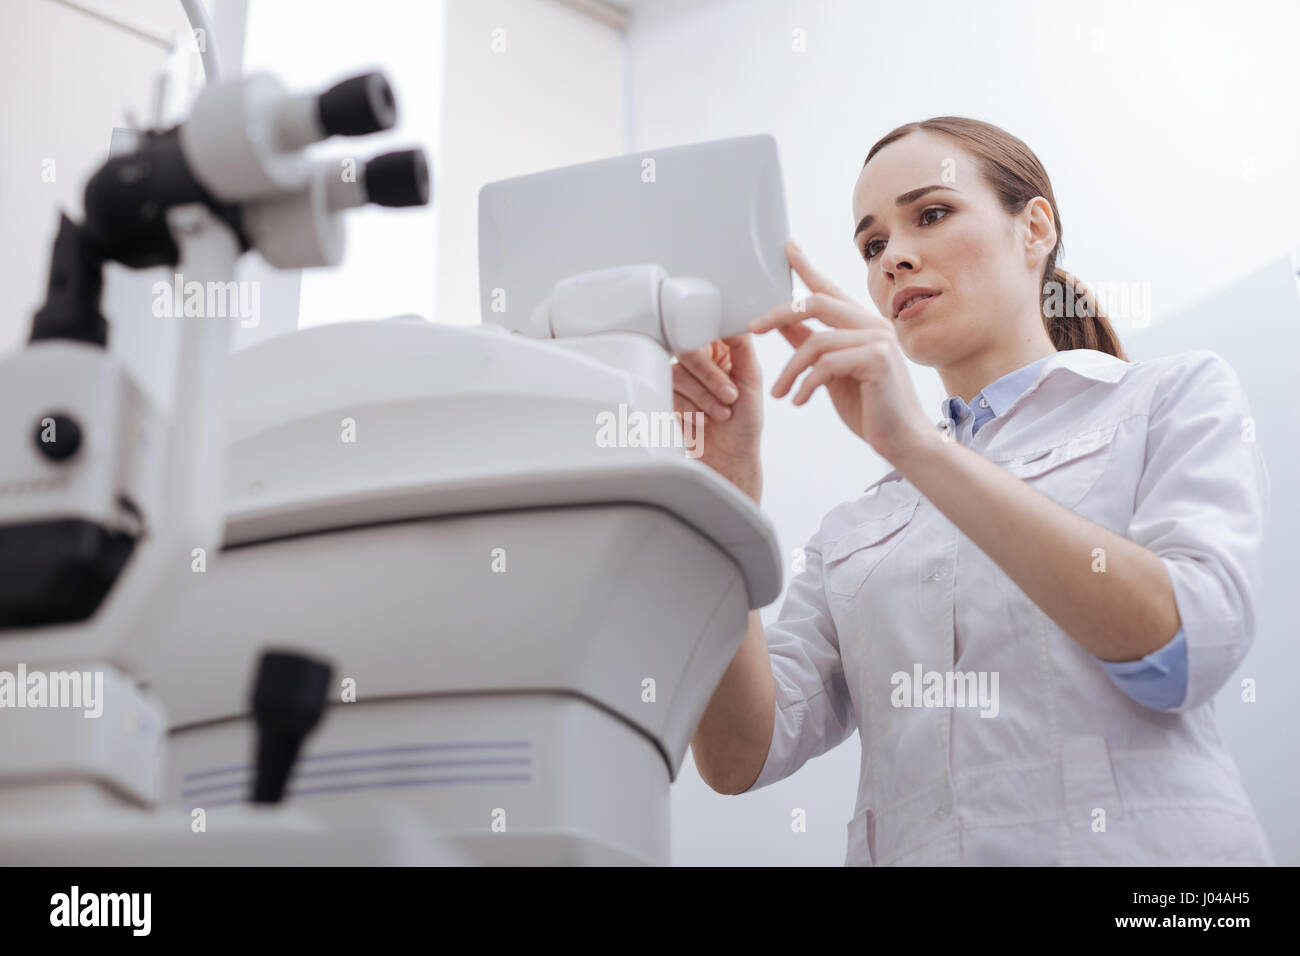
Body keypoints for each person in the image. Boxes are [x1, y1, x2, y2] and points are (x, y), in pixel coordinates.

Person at [679, 116, 1273, 866]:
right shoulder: (856, 529)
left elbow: (1182, 650)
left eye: (930, 213)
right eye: (871, 245)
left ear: (1034, 230)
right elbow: (740, 757)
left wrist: (921, 450)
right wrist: (723, 495)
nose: (893, 256)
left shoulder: (1171, 398)